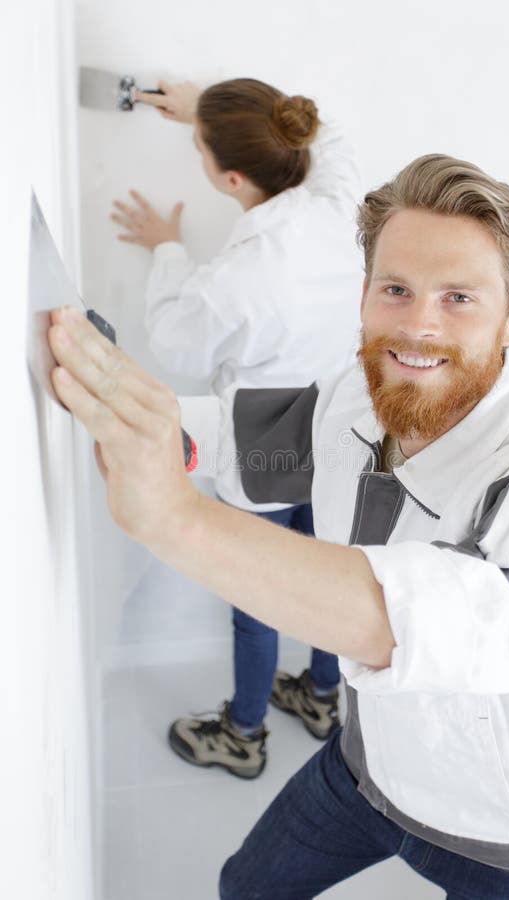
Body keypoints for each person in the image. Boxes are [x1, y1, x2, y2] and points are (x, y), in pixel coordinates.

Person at [47, 152, 509, 899]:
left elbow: (449, 619)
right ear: (364, 294)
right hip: (365, 771)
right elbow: (245, 440)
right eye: (395, 290)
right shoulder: (355, 403)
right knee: (246, 888)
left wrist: (176, 519)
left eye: (459, 298)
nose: (418, 325)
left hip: (505, 833)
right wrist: (128, 408)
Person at [110, 77, 365, 775]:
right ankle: (322, 696)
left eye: (199, 146)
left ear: (229, 179)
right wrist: (214, 108)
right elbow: (332, 135)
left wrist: (168, 250)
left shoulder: (236, 279)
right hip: (342, 427)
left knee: (257, 593)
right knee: (329, 572)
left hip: (267, 440)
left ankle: (245, 734)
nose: (196, 151)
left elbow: (174, 343)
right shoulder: (338, 207)